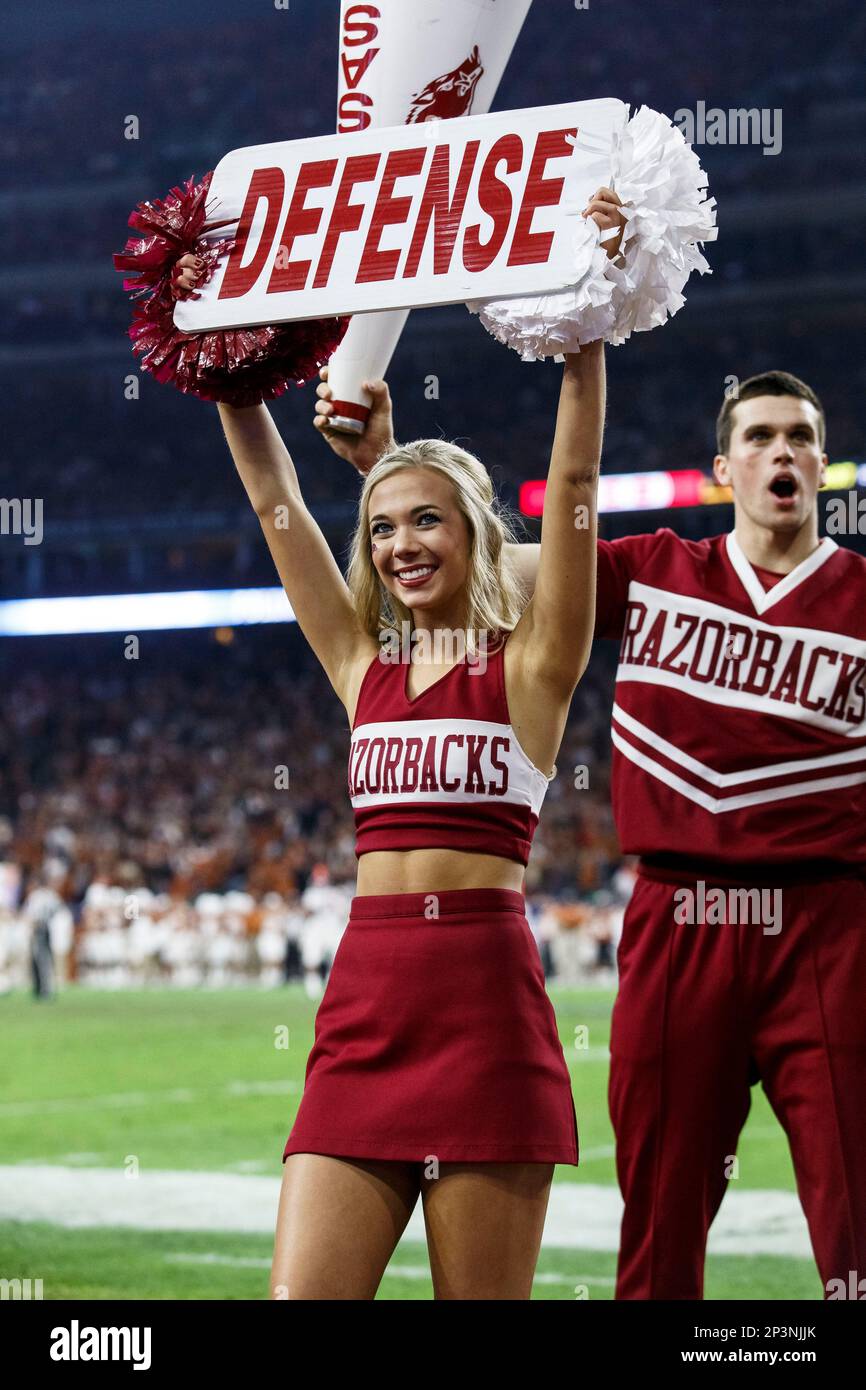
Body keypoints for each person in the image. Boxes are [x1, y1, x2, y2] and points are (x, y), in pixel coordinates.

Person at [323, 295, 866, 1299]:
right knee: (656, 1221)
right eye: (757, 434)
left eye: (801, 435)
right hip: (677, 911)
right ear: (725, 467)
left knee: (853, 1218)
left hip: (828, 921)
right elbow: (470, 561)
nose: (780, 450)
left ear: (821, 463)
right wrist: (395, 469)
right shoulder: (655, 569)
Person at [204, 189, 625, 1300]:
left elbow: (574, 490)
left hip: (485, 1019)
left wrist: (584, 329)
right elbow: (269, 491)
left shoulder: (530, 671)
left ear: (475, 531)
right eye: (382, 526)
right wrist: (220, 352)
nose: (397, 544)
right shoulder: (359, 666)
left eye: (425, 518)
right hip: (362, 1014)